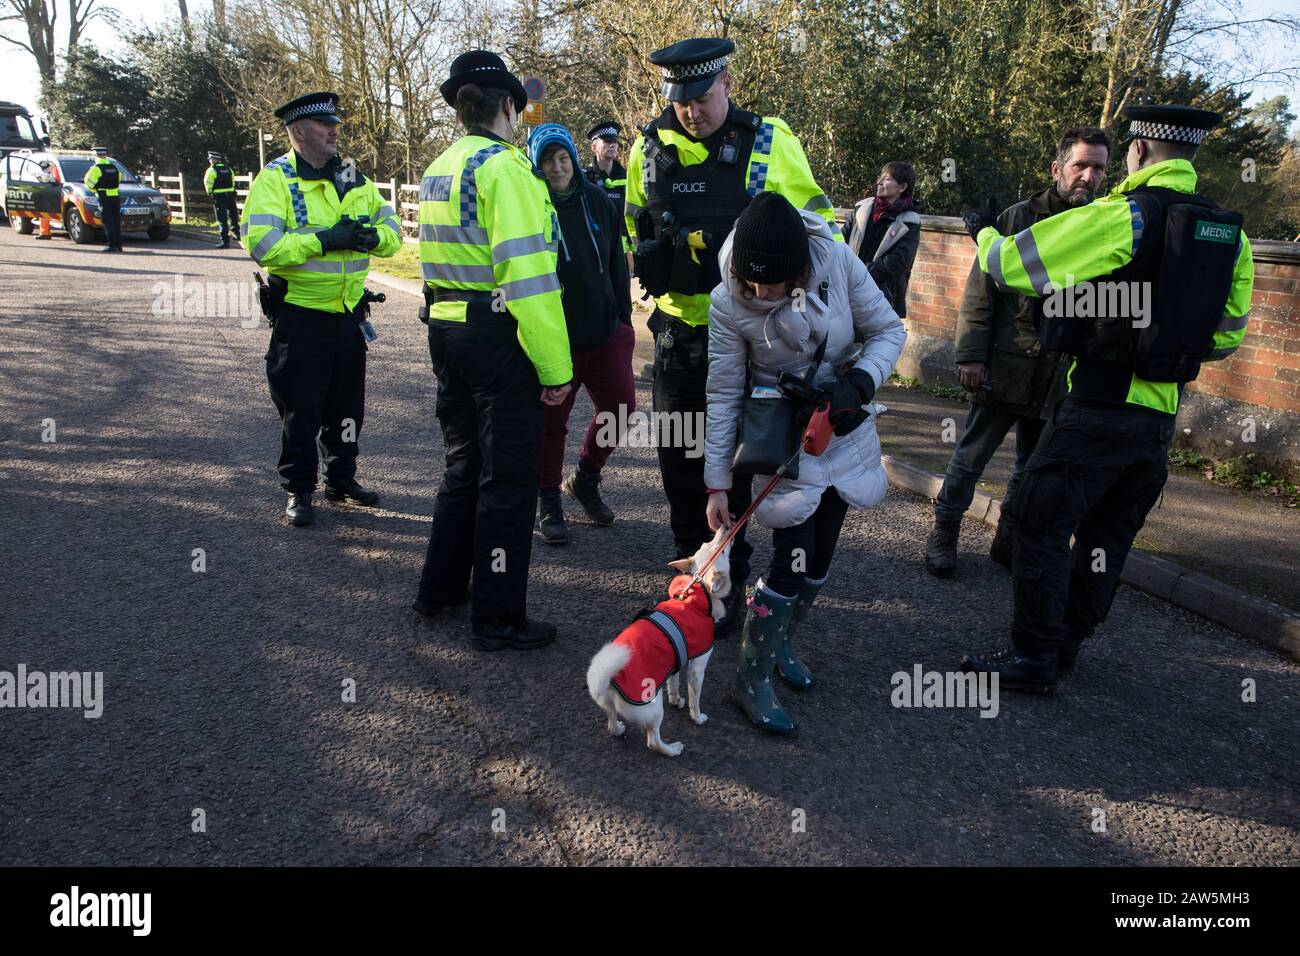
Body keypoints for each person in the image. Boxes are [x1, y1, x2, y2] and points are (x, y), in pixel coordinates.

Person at [959, 104, 1253, 692]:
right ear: (1192, 157)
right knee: (1105, 539)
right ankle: (1065, 648)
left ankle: (1032, 657)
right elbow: (1226, 336)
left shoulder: (1127, 215)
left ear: (1138, 151)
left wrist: (985, 232)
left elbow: (1016, 264)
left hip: (1098, 408)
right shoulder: (1228, 233)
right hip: (1159, 422)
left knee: (1038, 520)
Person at [623, 36, 841, 632]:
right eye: (682, 100)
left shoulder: (771, 141)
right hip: (680, 337)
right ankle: (699, 580)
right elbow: (633, 227)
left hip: (755, 342)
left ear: (725, 85)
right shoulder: (648, 148)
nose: (692, 111)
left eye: (703, 96)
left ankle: (744, 579)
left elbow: (823, 238)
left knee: (747, 466)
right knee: (681, 464)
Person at [705, 192, 906, 732]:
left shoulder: (837, 261)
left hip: (841, 425)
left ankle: (783, 647)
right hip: (783, 439)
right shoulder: (726, 300)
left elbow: (889, 330)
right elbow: (724, 393)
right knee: (791, 557)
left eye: (773, 283)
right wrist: (718, 483)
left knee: (821, 556)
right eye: (753, 283)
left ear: (800, 268)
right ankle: (751, 680)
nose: (761, 293)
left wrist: (861, 381)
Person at [414, 51, 573, 652]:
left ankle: (441, 588)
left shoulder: (440, 166)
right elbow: (529, 279)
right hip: (496, 335)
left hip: (447, 330)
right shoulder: (506, 170)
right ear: (510, 106)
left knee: (462, 467)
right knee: (507, 481)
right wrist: (556, 368)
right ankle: (499, 617)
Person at [926, 128, 1111, 577]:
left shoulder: (1104, 226)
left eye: (1099, 168)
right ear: (1057, 169)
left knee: (1031, 468)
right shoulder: (1017, 218)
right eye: (1080, 166)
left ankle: (1006, 540)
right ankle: (943, 534)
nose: (1089, 176)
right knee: (969, 459)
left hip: (1057, 378)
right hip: (1005, 367)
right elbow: (981, 292)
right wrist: (970, 355)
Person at [241, 91, 402, 527]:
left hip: (349, 313)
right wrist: (325, 240)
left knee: (348, 408)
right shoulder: (274, 180)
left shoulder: (351, 174)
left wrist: (375, 240)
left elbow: (392, 228)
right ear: (297, 132)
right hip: (303, 315)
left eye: (335, 124)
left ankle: (341, 479)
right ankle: (298, 490)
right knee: (302, 409)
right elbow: (262, 245)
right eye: (322, 125)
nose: (334, 131)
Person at [526, 123, 634, 545]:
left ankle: (586, 477)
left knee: (621, 409)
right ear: (537, 165)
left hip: (607, 329)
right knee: (552, 423)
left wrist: (624, 319)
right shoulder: (531, 205)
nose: (557, 168)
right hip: (557, 337)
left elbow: (614, 260)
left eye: (563, 158)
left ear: (573, 158)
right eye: (548, 160)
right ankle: (548, 498)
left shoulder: (597, 200)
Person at [842, 161, 922, 316]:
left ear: (902, 187)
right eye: (880, 177)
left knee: (874, 339)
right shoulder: (861, 209)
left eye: (887, 179)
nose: (879, 182)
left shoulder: (910, 220)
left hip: (884, 296)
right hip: (848, 288)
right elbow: (840, 241)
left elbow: (900, 260)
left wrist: (862, 273)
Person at [83, 146, 122, 253]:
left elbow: (88, 181)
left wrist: (95, 189)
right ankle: (119, 245)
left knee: (108, 222)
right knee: (116, 221)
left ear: (96, 155)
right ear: (105, 155)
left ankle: (111, 245)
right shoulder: (113, 167)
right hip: (115, 196)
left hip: (104, 196)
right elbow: (119, 178)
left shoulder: (96, 168)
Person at [205, 150, 241, 248]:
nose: (209, 161)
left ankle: (225, 241)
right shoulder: (229, 169)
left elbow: (208, 184)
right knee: (233, 215)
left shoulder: (211, 170)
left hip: (218, 197)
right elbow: (233, 181)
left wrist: (210, 193)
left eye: (210, 159)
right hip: (230, 195)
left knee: (222, 219)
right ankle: (237, 234)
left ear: (213, 160)